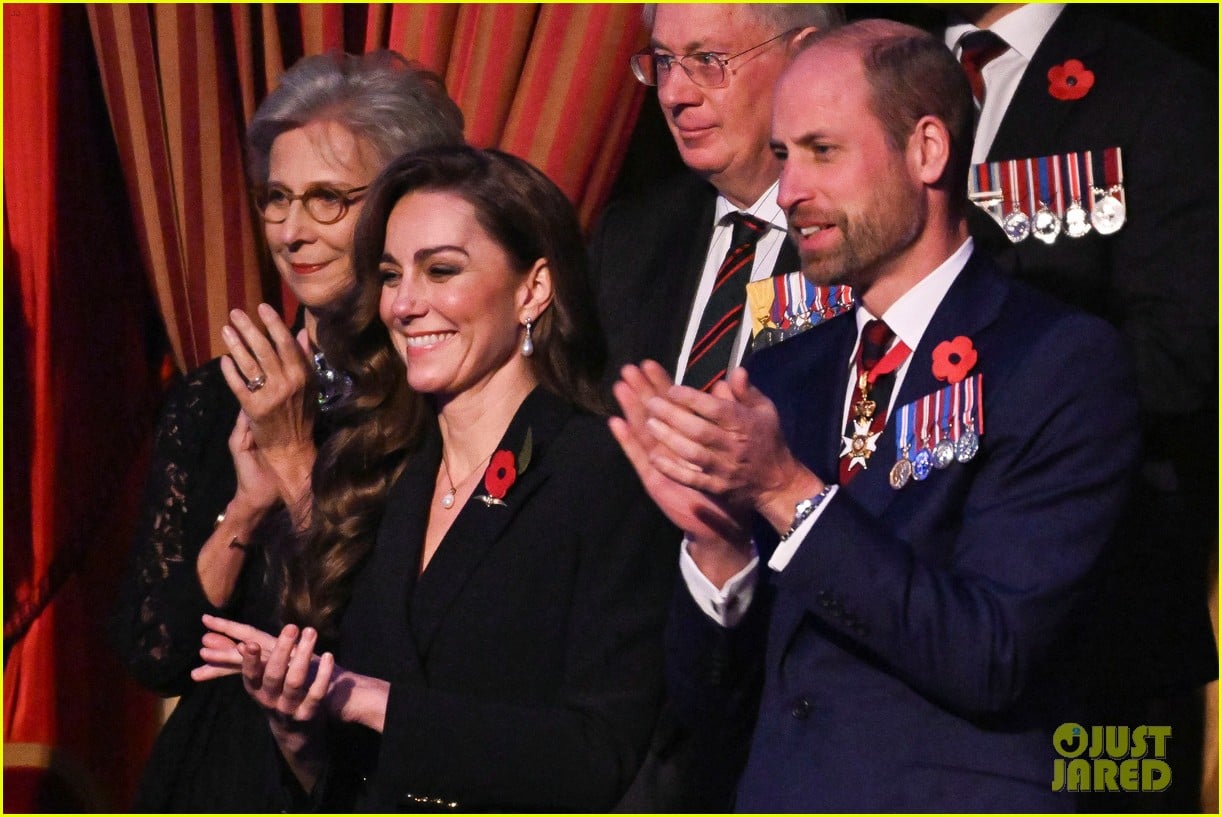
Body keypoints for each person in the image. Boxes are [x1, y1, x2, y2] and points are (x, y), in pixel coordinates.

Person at [610, 20, 1142, 811]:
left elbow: (992, 652)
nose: (790, 191)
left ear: (928, 150)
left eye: (823, 152)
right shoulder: (783, 374)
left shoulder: (1056, 362)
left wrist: (787, 491)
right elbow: (714, 708)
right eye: (785, 157)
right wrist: (718, 551)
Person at [194, 146, 679, 812]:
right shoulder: (377, 471)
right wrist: (296, 722)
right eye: (391, 275)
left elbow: (603, 754)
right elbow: (340, 781)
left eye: (441, 270)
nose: (405, 304)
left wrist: (367, 698)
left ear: (533, 288)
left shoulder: (601, 470)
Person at [111, 51, 463, 811]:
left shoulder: (442, 399)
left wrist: (297, 458)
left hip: (350, 783)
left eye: (329, 200)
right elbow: (155, 651)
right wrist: (244, 508)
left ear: (405, 204)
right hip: (209, 780)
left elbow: (396, 650)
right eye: (277, 198)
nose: (292, 231)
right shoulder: (216, 396)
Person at [942, 5, 1218, 809]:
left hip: (1095, 631)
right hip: (899, 624)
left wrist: (974, 410)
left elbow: (1183, 355)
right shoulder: (884, 68)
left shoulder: (1158, 93)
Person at [589, 4, 844, 393]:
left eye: (708, 60)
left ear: (803, 59)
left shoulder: (873, 237)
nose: (674, 94)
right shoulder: (629, 239)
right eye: (663, 61)